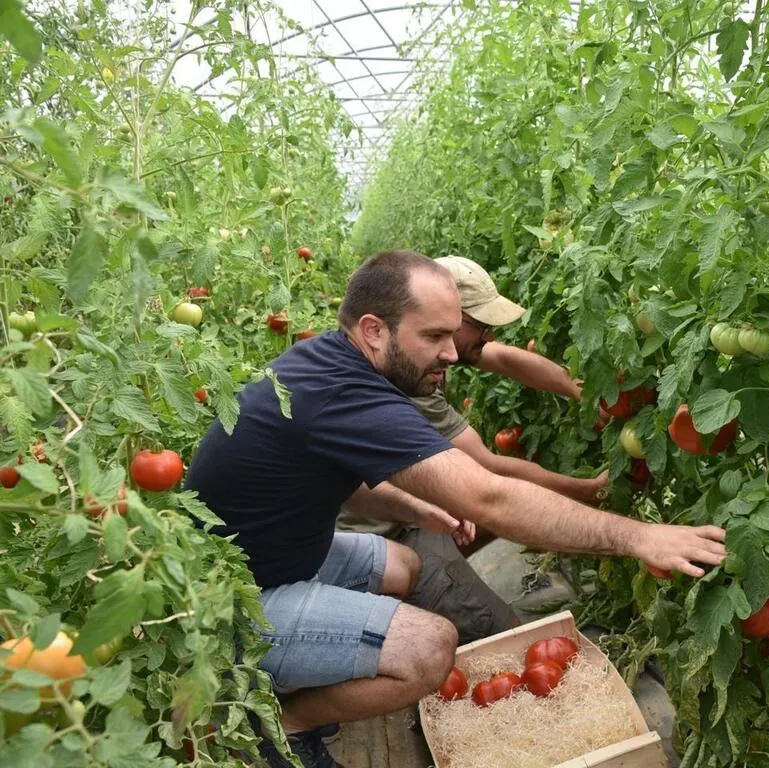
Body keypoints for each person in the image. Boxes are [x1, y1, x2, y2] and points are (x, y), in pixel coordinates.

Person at [184, 250, 727, 768]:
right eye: (435, 336)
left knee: (404, 565)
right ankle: (287, 720)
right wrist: (639, 537)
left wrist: (412, 507)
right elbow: (489, 494)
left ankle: (307, 662)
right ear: (374, 330)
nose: (450, 353)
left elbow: (330, 478)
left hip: (259, 559)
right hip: (229, 600)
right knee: (432, 646)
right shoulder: (347, 393)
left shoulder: (333, 363)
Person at [336, 254, 608, 644]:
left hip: (407, 512)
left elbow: (505, 359)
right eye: (481, 326)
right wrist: (586, 491)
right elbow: (488, 469)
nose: (490, 339)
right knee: (514, 642)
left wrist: (577, 390)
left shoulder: (426, 347)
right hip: (389, 537)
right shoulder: (406, 380)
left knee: (498, 514)